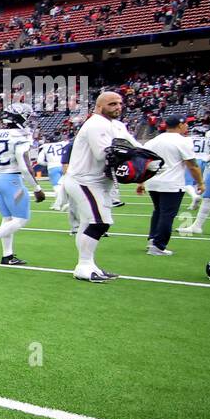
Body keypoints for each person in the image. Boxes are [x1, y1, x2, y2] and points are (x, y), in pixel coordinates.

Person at [61, 91, 137, 282]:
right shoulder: (96, 123)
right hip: (85, 180)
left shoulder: (117, 125)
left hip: (98, 181)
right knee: (100, 222)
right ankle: (83, 266)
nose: (117, 107)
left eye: (119, 103)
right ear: (99, 106)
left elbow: (134, 146)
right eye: (112, 104)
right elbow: (103, 155)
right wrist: (129, 155)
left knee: (88, 223)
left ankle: (89, 264)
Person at [0, 108, 44, 266]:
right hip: (12, 181)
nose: (29, 120)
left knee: (7, 219)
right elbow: (25, 166)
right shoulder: (21, 136)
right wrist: (37, 188)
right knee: (21, 219)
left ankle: (8, 256)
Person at [139, 114, 203, 255]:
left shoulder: (153, 141)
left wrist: (141, 182)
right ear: (180, 125)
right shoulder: (183, 141)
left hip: (153, 182)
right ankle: (158, 245)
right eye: (186, 124)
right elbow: (192, 165)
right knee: (167, 214)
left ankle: (152, 240)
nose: (187, 126)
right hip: (171, 183)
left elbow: (144, 163)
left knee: (158, 211)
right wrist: (200, 182)